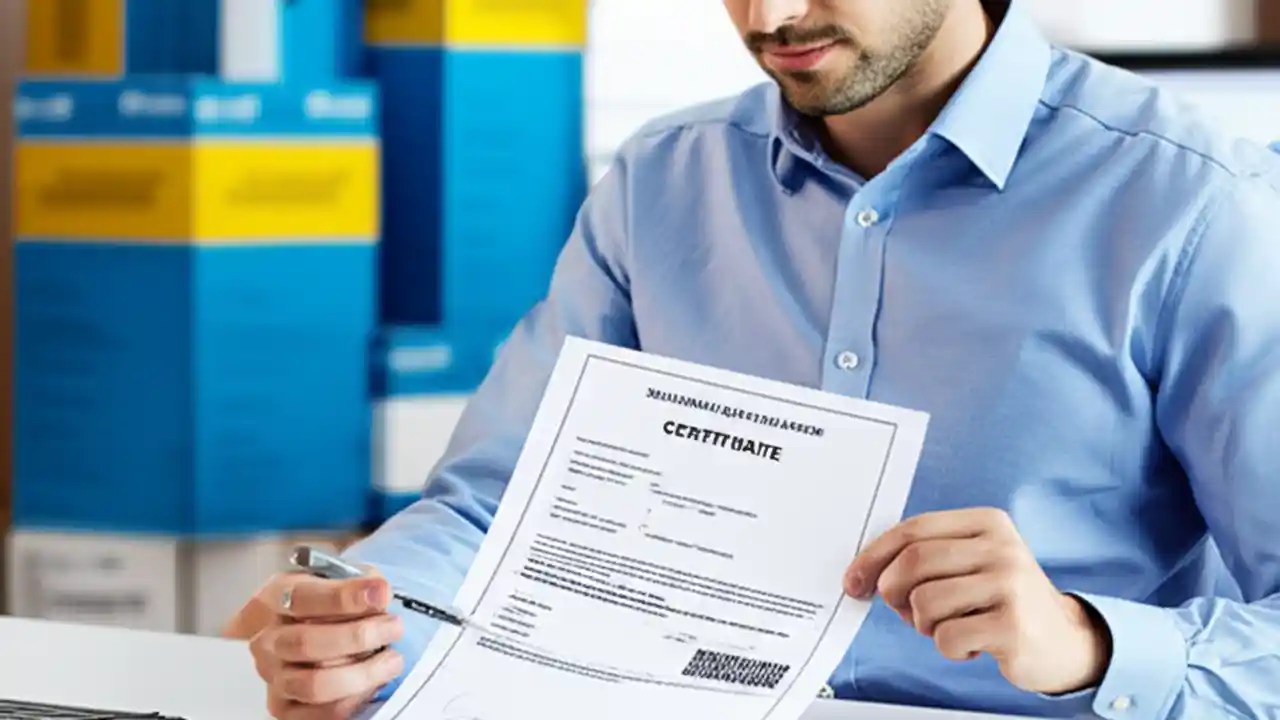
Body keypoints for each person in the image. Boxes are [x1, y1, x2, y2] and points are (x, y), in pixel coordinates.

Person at [224, 0, 1280, 718]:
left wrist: (1085, 644)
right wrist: (367, 621)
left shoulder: (1197, 205)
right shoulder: (661, 180)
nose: (768, 16)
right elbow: (495, 510)